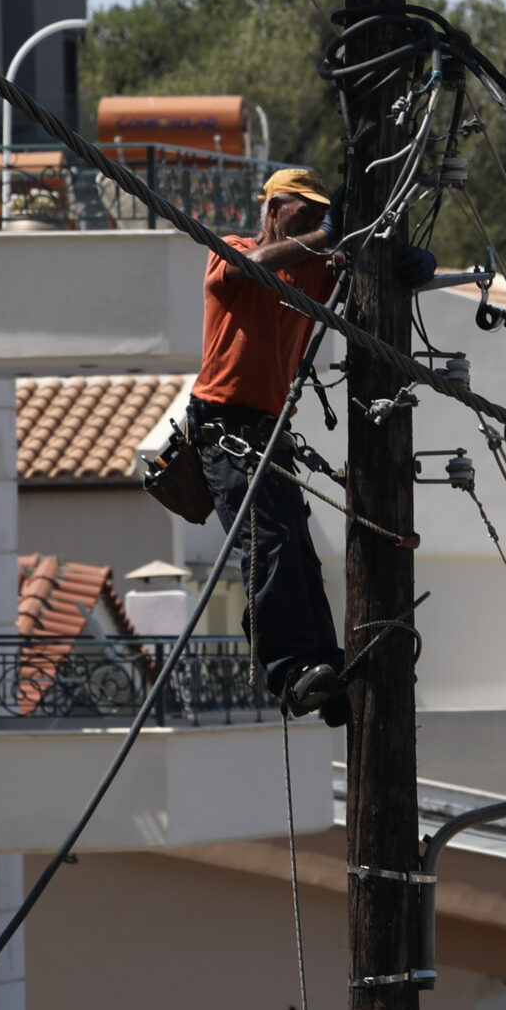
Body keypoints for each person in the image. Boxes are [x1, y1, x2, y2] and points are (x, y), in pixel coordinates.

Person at [188, 166, 349, 725]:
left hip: (270, 431)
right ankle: (290, 671)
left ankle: (326, 669)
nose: (314, 223)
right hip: (223, 425)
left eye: (320, 215)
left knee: (300, 556)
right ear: (273, 208)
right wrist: (329, 238)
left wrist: (396, 260)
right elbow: (254, 269)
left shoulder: (313, 271)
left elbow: (353, 271)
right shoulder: (231, 249)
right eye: (303, 213)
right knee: (269, 543)